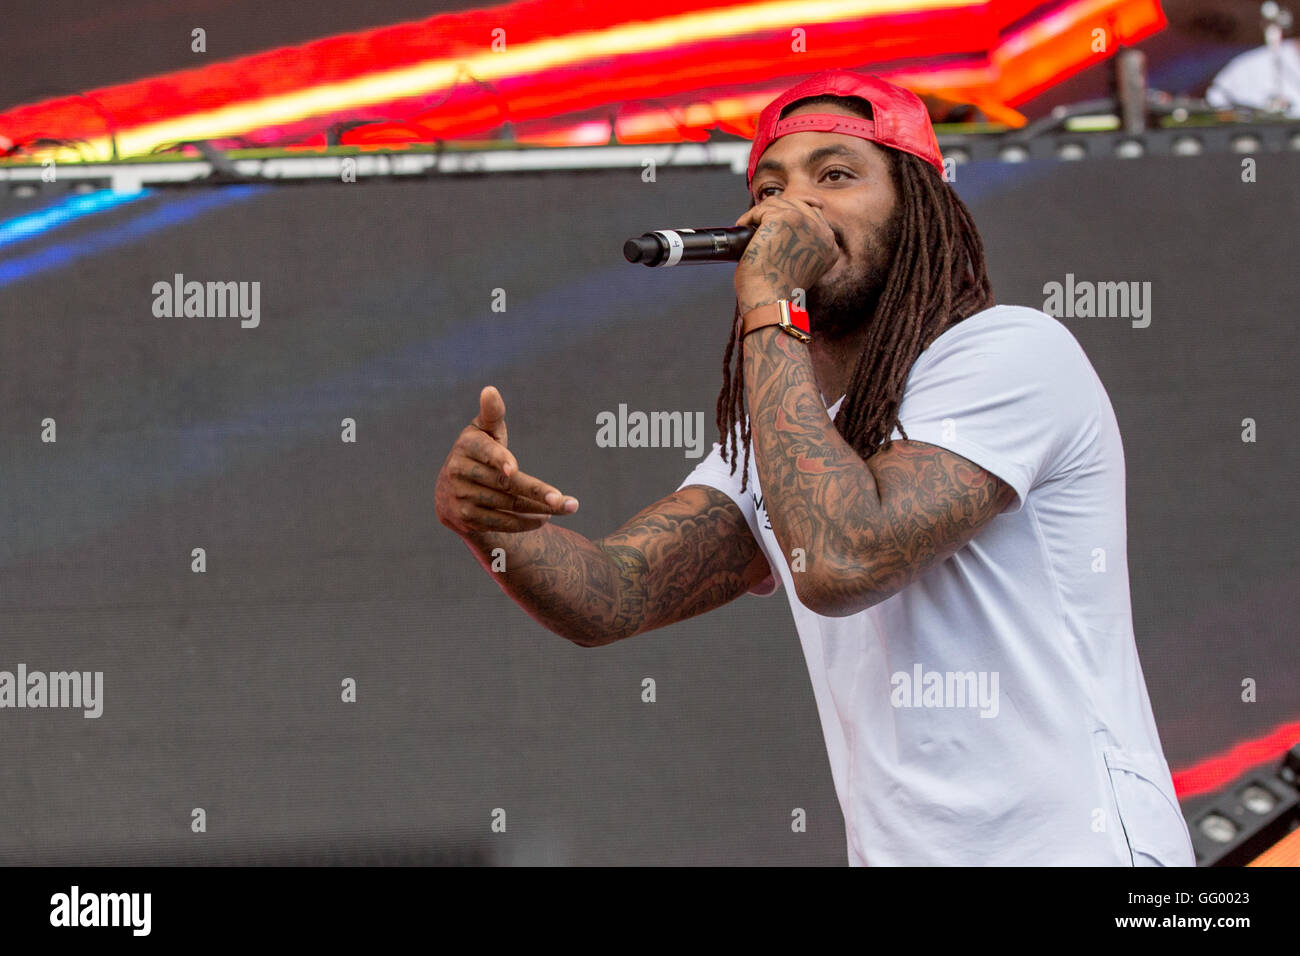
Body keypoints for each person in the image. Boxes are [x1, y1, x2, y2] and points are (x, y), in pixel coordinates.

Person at [434, 70, 1196, 866]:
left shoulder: (1012, 353)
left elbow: (841, 559)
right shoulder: (787, 428)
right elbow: (612, 594)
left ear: (916, 206)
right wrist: (490, 527)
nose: (791, 207)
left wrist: (770, 300)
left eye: (835, 175)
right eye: (769, 186)